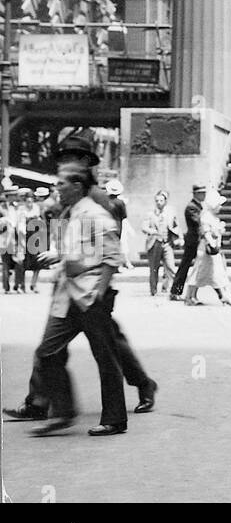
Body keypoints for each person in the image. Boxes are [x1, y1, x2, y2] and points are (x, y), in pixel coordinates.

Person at [9, 164, 137, 436]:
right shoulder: (72, 214)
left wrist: (98, 294)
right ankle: (64, 410)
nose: (58, 190)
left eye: (62, 185)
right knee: (47, 352)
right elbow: (79, 249)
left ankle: (114, 419)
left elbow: (112, 258)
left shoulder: (95, 214)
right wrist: (60, 256)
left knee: (105, 358)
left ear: (77, 186)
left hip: (89, 298)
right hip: (68, 297)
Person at [182, 190, 231, 307]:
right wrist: (212, 243)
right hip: (207, 250)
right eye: (218, 205)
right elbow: (206, 232)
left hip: (211, 249)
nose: (220, 208)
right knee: (203, 272)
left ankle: (221, 295)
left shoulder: (212, 216)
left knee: (209, 272)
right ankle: (222, 295)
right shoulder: (206, 216)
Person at [169, 184, 205, 300]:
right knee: (185, 266)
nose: (204, 195)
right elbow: (198, 223)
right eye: (201, 193)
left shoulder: (198, 206)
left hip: (196, 240)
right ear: (195, 194)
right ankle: (175, 292)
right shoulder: (192, 207)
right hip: (193, 240)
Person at [140, 190, 177, 297]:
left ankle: (175, 290)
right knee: (154, 268)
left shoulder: (170, 213)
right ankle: (154, 290)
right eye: (157, 200)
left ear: (165, 201)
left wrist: (177, 237)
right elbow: (144, 227)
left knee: (171, 267)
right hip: (154, 243)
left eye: (161, 200)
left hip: (166, 243)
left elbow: (176, 225)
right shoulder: (150, 214)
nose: (159, 202)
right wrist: (153, 232)